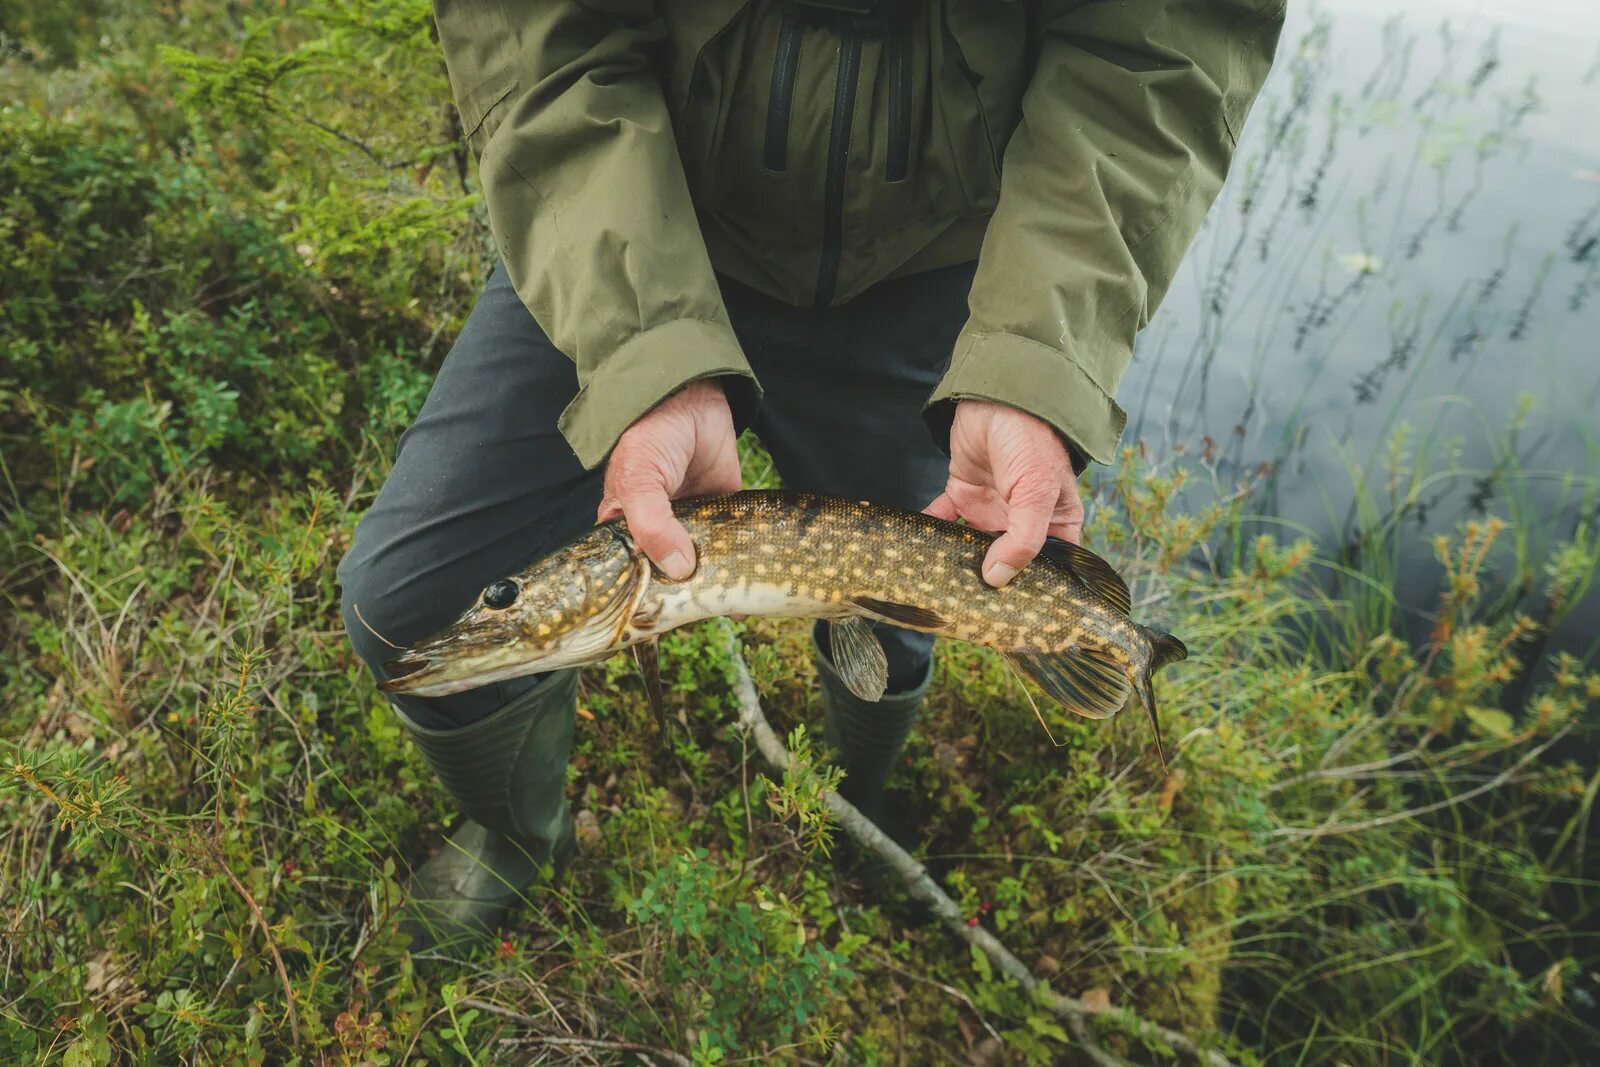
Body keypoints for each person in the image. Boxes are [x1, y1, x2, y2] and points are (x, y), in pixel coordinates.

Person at [339, 0, 1284, 949]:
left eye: (516, 600)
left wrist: (1033, 360)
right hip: (630, 219)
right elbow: (536, 35)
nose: (509, 603)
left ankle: (860, 800)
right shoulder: (610, 561)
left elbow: (1158, 53)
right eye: (516, 599)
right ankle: (518, 834)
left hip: (941, 262)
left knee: (919, 605)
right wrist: (643, 349)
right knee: (408, 597)